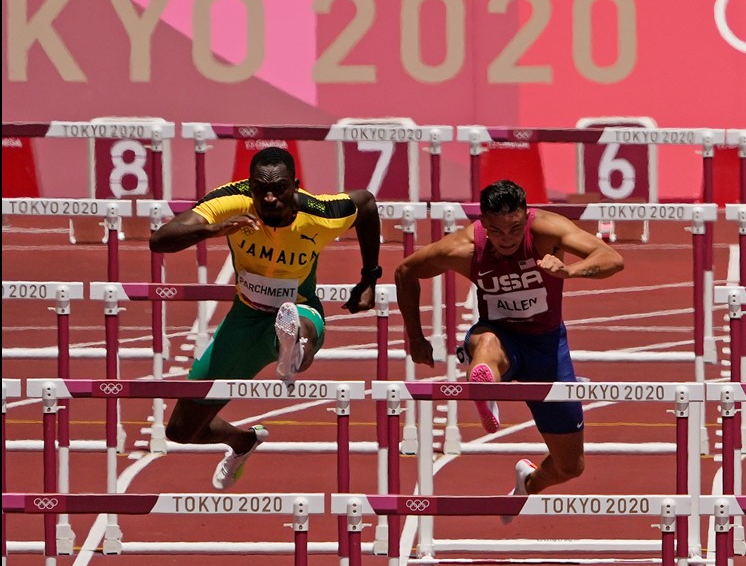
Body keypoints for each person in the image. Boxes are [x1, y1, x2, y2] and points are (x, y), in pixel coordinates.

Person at [149, 146, 381, 490]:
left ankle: (294, 348)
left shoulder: (321, 214)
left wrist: (369, 277)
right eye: (261, 189)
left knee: (297, 326)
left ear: (295, 186)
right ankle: (243, 442)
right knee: (182, 430)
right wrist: (213, 230)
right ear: (250, 186)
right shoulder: (232, 201)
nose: (270, 198)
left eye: (280, 188)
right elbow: (159, 240)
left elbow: (365, 203)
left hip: (301, 307)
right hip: (244, 319)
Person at [393, 179, 625, 512]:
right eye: (497, 232)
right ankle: (486, 386)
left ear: (525, 217)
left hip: (547, 347)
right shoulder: (462, 248)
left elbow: (612, 258)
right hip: (500, 336)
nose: (507, 240)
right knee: (485, 346)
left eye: (515, 230)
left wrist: (570, 270)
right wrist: (415, 337)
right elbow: (405, 271)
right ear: (483, 224)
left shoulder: (547, 229)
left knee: (570, 466)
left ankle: (528, 481)